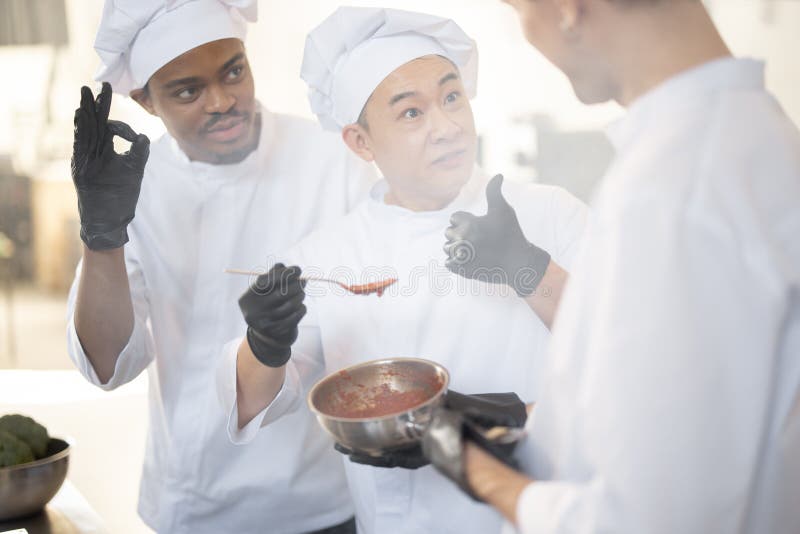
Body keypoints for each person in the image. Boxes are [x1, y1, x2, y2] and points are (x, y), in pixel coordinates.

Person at [422, 1, 800, 533]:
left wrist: (478, 471)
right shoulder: (752, 132)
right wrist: (535, 426)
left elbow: (645, 521)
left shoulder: (673, 190)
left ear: (569, 9)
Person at [218, 7, 588, 533]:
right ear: (360, 141)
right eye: (411, 113)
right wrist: (266, 342)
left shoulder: (551, 214)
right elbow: (252, 402)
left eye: (452, 96)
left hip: (540, 510)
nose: (447, 127)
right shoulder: (327, 256)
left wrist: (527, 268)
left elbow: (618, 346)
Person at [66, 1, 375, 532]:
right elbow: (107, 363)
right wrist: (102, 237)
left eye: (234, 71)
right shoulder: (133, 186)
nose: (224, 101)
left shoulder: (332, 159)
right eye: (188, 90)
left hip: (320, 493)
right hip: (195, 498)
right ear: (145, 100)